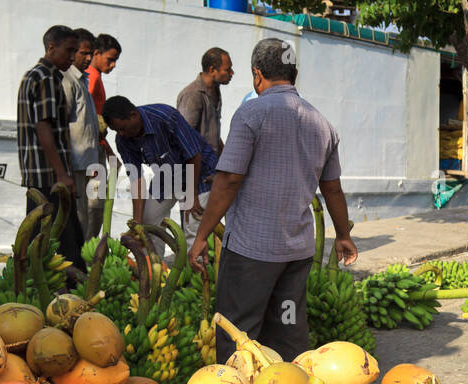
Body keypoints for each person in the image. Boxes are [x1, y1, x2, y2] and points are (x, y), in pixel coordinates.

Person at [188, 38, 358, 364]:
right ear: (294, 73)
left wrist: (201, 235)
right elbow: (332, 189)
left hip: (251, 255)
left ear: (257, 74)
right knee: (288, 329)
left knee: (239, 332)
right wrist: (343, 236)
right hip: (295, 257)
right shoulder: (322, 123)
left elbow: (229, 179)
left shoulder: (251, 113)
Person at [102, 96, 218, 260]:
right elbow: (136, 178)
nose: (121, 134)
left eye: (123, 128)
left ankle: (197, 274)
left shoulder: (165, 117)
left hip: (200, 171)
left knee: (193, 222)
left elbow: (194, 155)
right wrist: (137, 222)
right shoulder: (123, 140)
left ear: (134, 115)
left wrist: (191, 196)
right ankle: (155, 268)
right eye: (117, 131)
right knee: (149, 219)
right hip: (168, 174)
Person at [16, 25, 86, 271]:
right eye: (69, 50)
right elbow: (44, 126)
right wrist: (62, 174)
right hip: (48, 175)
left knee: (39, 238)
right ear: (51, 48)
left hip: (37, 172)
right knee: (65, 243)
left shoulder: (34, 75)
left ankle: (36, 285)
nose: (72, 57)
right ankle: (73, 293)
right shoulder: (46, 78)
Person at [64, 28, 105, 239]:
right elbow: (63, 125)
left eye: (91, 54)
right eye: (83, 53)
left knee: (96, 211)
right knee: (80, 216)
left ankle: (89, 257)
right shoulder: (68, 81)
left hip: (92, 160)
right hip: (77, 163)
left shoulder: (83, 79)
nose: (89, 58)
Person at [177, 47, 233, 154]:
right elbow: (183, 138)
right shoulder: (192, 95)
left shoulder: (215, 90)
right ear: (212, 70)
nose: (232, 73)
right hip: (196, 167)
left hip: (210, 165)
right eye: (227, 69)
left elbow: (211, 133)